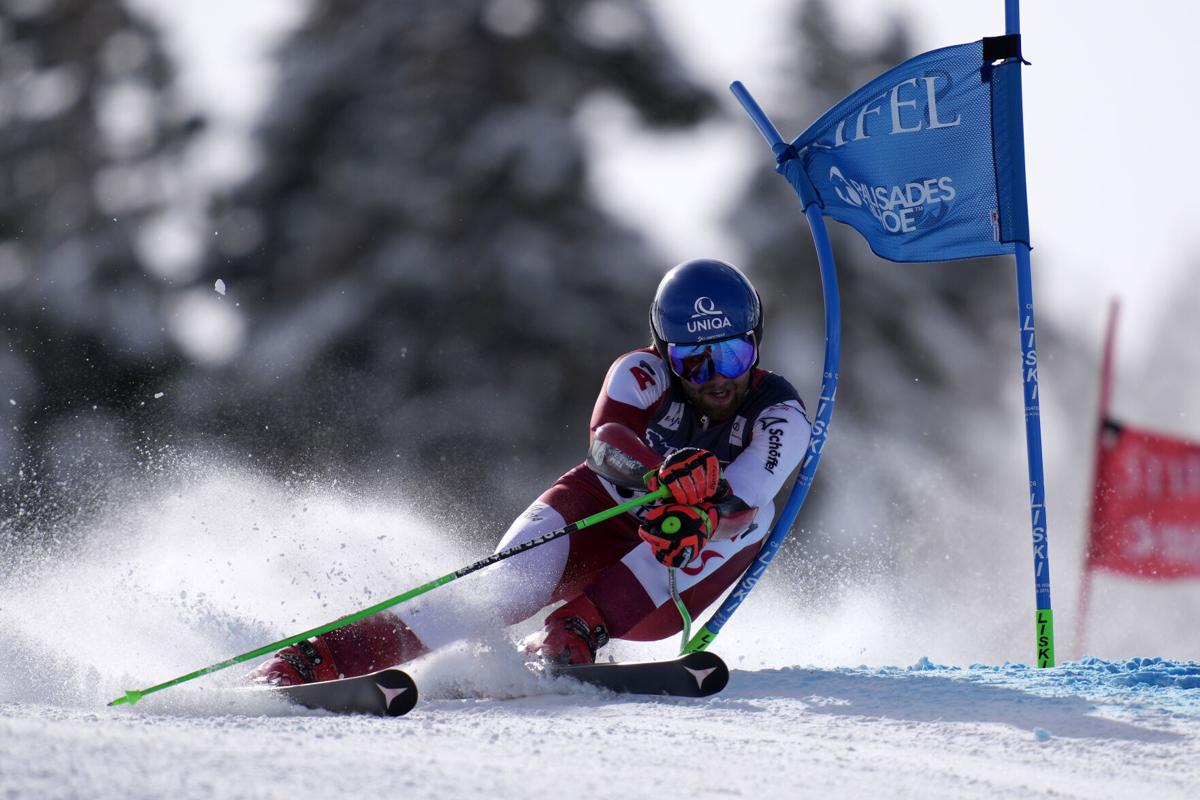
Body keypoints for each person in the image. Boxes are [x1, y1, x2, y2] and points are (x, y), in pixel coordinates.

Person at [250, 258, 811, 684]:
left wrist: (703, 513)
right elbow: (607, 443)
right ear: (664, 353)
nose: (716, 378)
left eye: (732, 355)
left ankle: (575, 634)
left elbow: (752, 494)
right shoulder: (640, 374)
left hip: (669, 571)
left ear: (755, 346)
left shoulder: (780, 413)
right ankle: (321, 657)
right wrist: (662, 478)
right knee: (500, 593)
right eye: (694, 359)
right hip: (602, 509)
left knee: (754, 520)